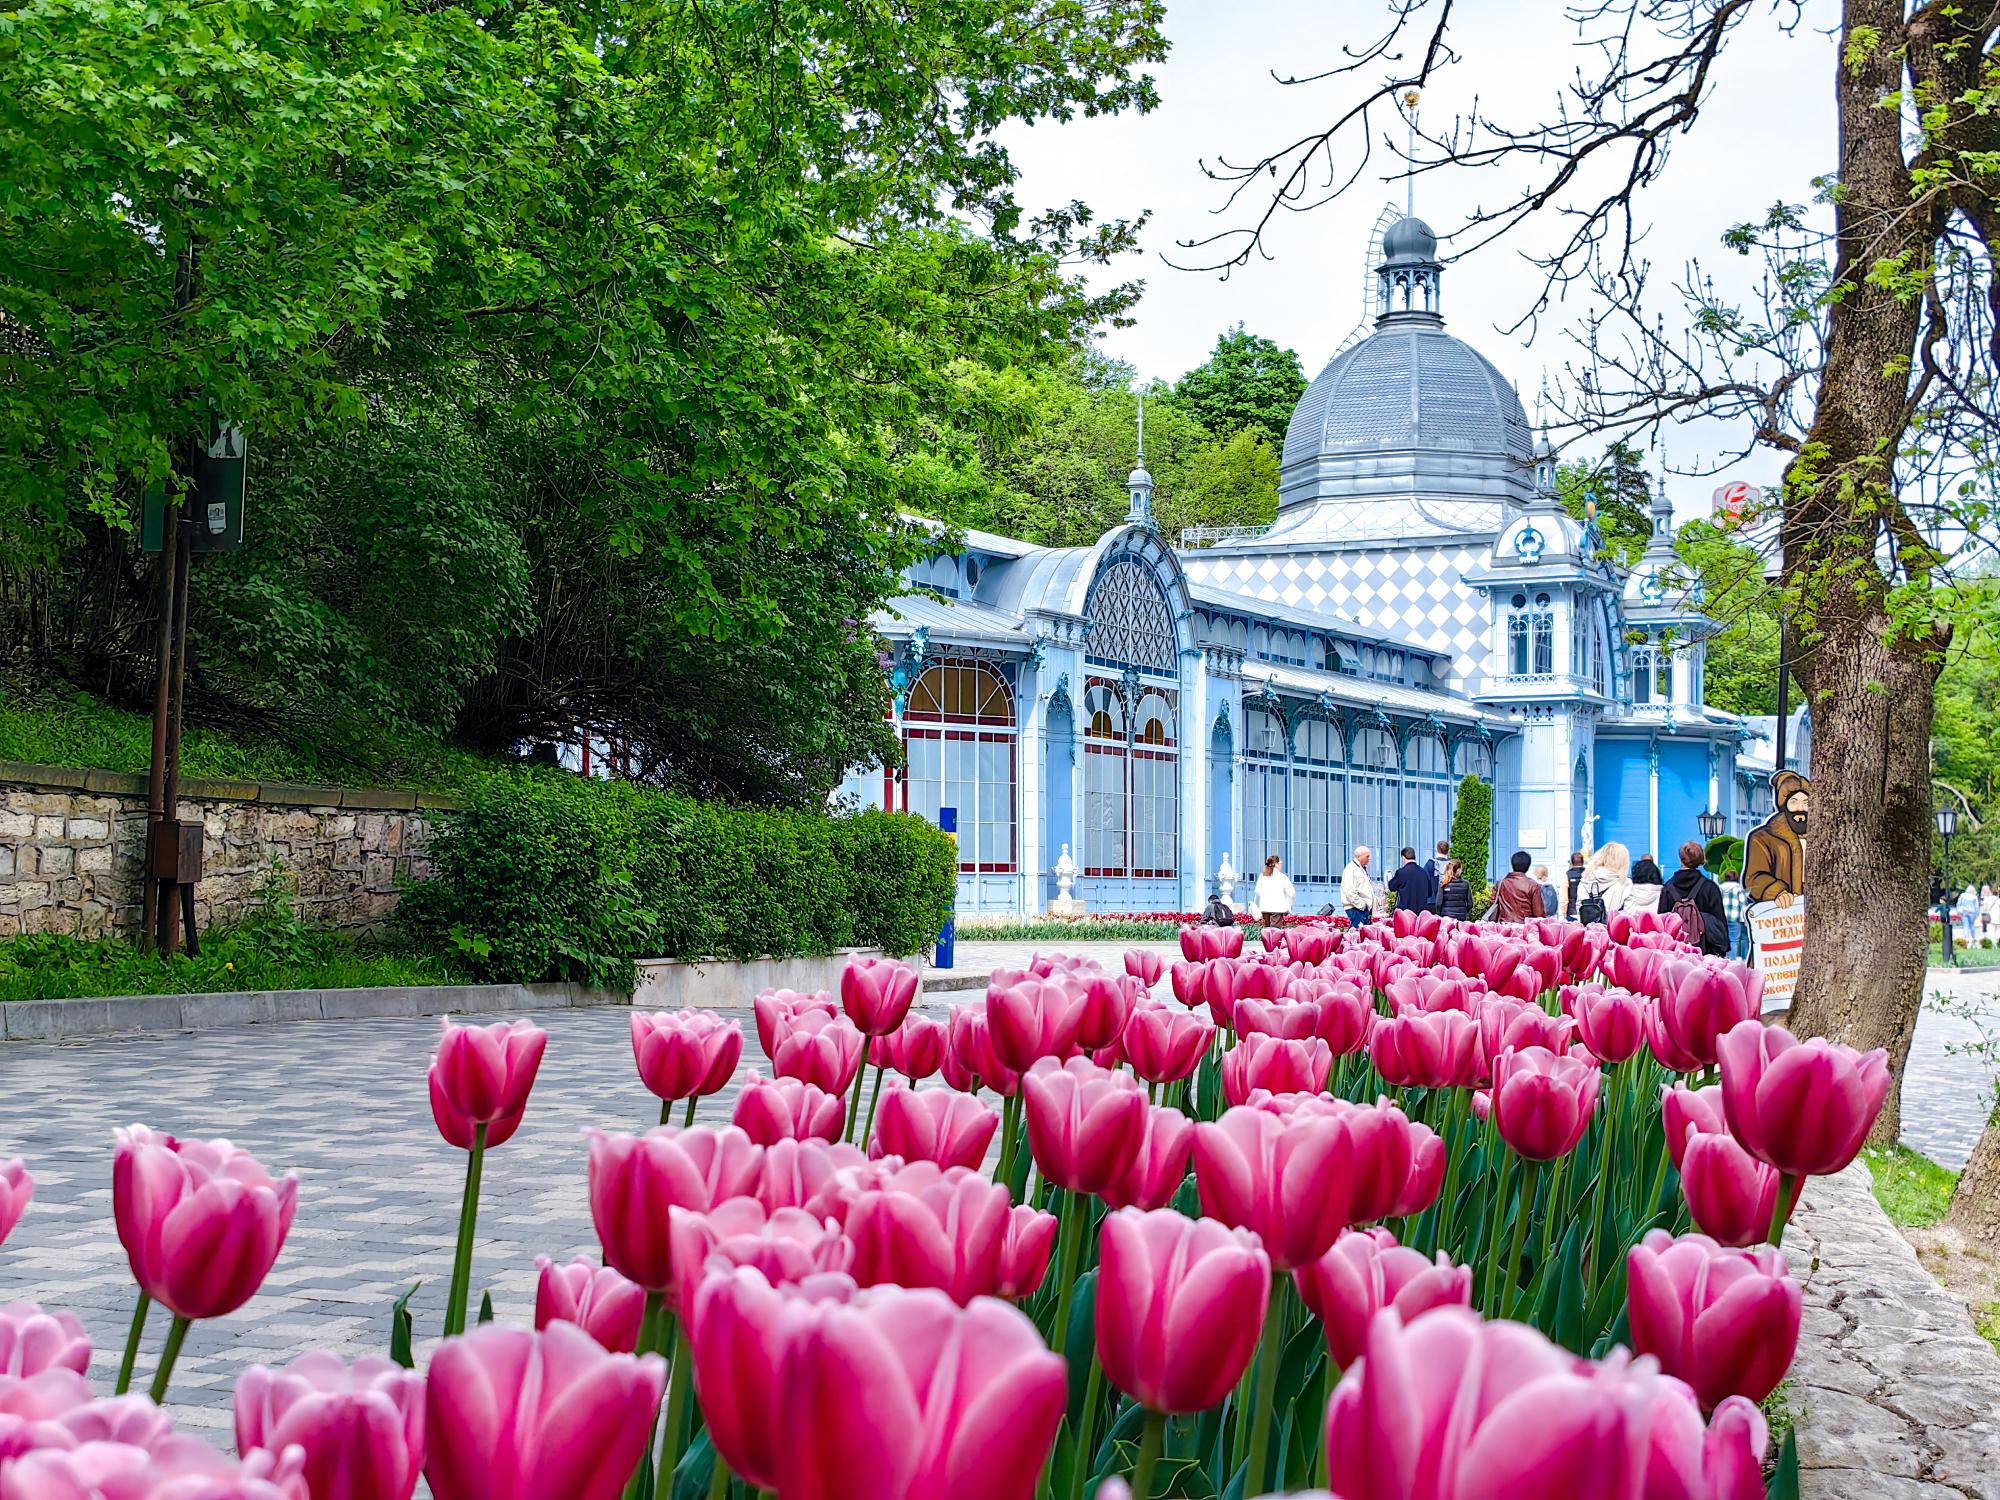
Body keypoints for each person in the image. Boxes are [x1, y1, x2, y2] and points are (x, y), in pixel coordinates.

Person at [1659, 840, 1729, 957]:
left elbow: (1662, 921)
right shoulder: (1710, 887)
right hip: (1704, 952)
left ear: (1681, 859)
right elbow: (1719, 922)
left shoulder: (1667, 888)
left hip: (1675, 953)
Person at [1575, 843, 1632, 925]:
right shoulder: (1625, 883)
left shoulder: (1585, 880)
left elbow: (1579, 908)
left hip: (1588, 932)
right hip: (1613, 933)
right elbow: (1627, 915)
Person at [1486, 850, 1546, 922]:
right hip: (1525, 928)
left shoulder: (1500, 884)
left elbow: (1492, 904)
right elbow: (1538, 914)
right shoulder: (1533, 885)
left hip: (1504, 928)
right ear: (1528, 866)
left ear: (1512, 864)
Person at [1387, 846, 1433, 917]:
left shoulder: (1401, 872)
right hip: (1421, 914)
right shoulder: (1423, 872)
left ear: (1403, 857)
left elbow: (1391, 887)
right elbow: (1429, 893)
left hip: (1406, 913)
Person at [1254, 855, 1295, 927]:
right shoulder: (1282, 877)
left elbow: (1257, 891)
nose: (1281, 864)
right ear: (1276, 864)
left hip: (1265, 908)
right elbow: (1291, 893)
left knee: (1267, 932)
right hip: (1277, 908)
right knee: (1275, 933)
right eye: (1280, 862)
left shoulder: (1262, 876)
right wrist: (1289, 905)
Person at [1719, 868, 1751, 959]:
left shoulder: (1720, 887)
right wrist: (1746, 918)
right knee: (1735, 940)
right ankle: (1738, 960)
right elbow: (1743, 903)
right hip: (1736, 918)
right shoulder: (1738, 888)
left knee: (1727, 939)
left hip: (1723, 918)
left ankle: (1727, 959)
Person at [1340, 846, 1375, 930]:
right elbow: (1349, 890)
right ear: (1359, 856)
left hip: (1361, 908)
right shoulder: (1350, 869)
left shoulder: (1361, 869)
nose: (1369, 859)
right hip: (1356, 909)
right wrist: (1362, 905)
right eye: (1367, 856)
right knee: (1357, 934)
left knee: (1361, 934)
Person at [1424, 838, 1451, 909]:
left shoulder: (1430, 864)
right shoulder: (1452, 864)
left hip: (1433, 900)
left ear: (1437, 849)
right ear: (1448, 850)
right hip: (1449, 901)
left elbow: (1425, 882)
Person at [1565, 850, 1586, 920]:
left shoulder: (1567, 875)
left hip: (1572, 912)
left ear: (1571, 862)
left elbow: (1564, 898)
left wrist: (1564, 913)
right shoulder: (1589, 874)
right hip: (1588, 911)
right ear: (1583, 862)